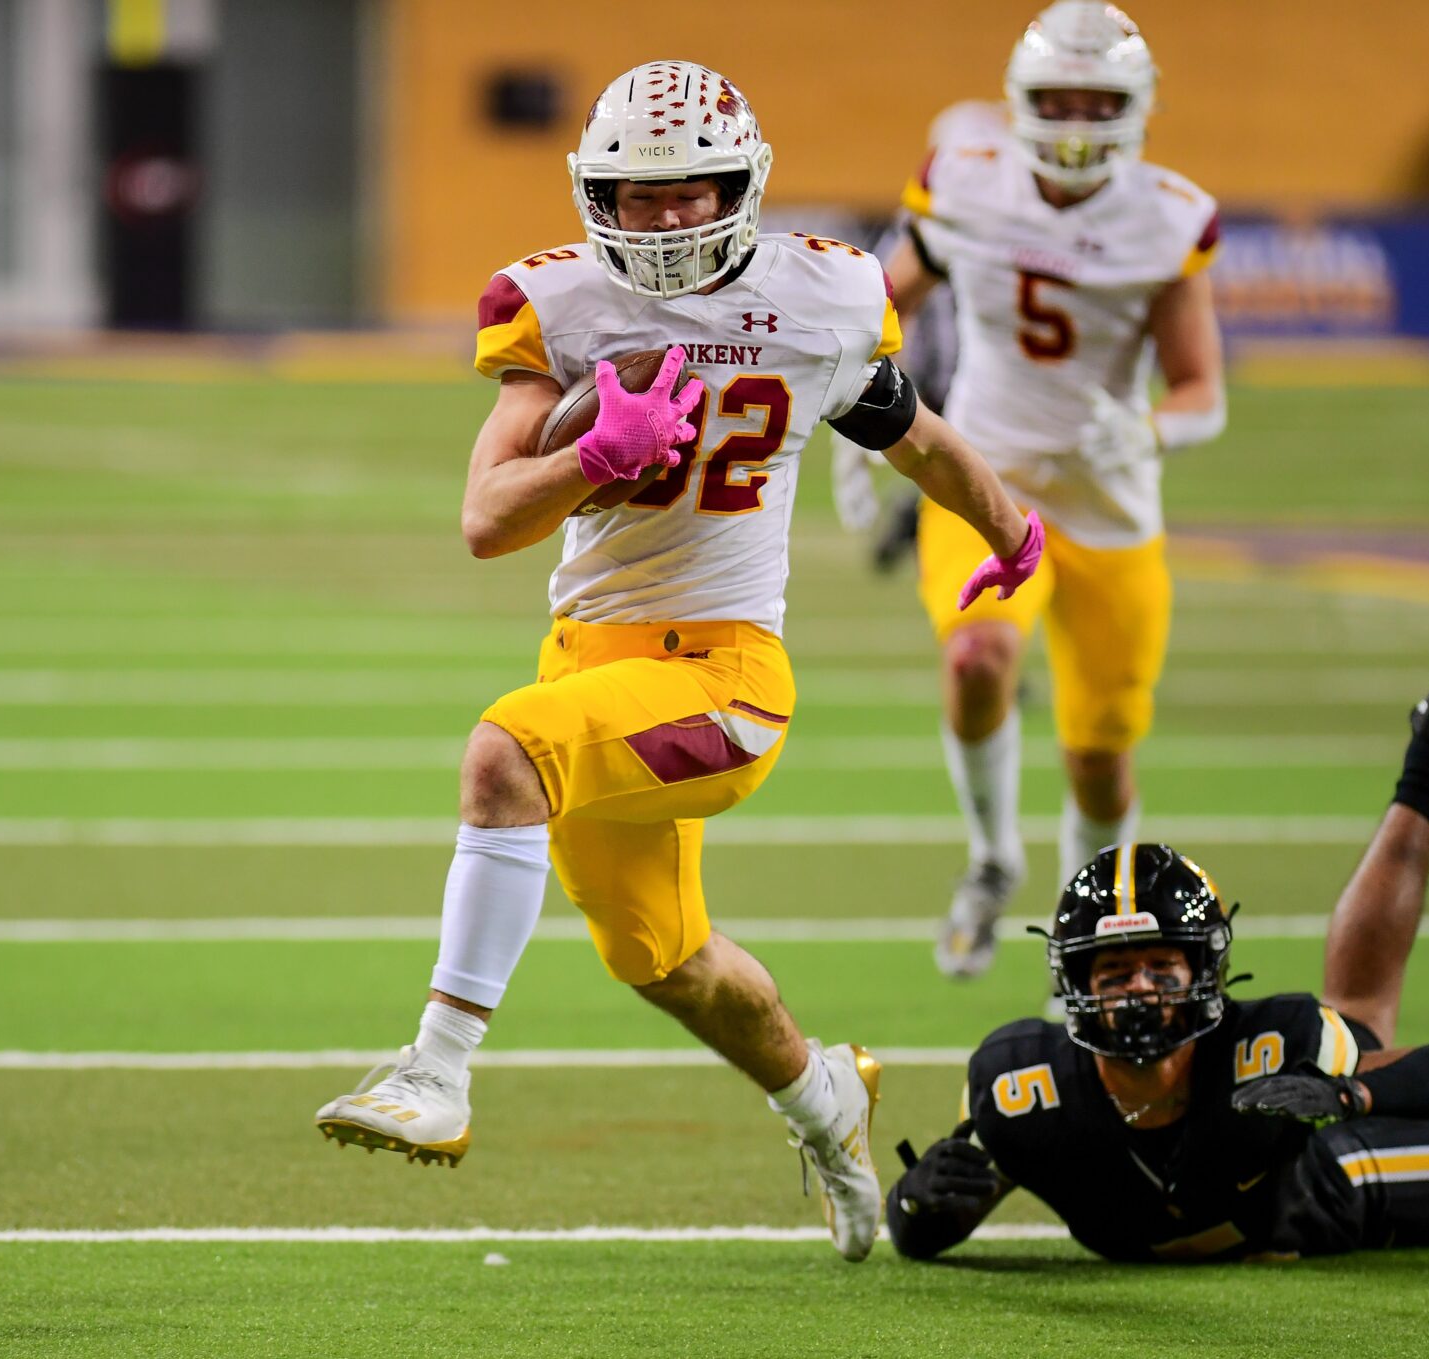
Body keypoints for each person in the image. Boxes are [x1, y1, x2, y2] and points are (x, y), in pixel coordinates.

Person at [312, 60, 1042, 1263]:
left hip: (725, 677)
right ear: (593, 193)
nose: (661, 219)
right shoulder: (558, 304)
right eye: (634, 196)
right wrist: (595, 455)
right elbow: (488, 518)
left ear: (737, 189)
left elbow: (908, 432)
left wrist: (1010, 528)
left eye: (688, 194)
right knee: (667, 961)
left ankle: (435, 1069)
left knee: (502, 758)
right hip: (592, 666)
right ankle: (825, 1099)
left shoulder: (822, 296)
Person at [885, 677, 1429, 1262]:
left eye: (1159, 965)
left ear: (1207, 971)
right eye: (1114, 973)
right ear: (1075, 983)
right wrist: (917, 1208)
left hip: (1344, 1181)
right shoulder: (1021, 1083)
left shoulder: (1264, 1043)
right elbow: (931, 1215)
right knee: (1356, 1015)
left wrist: (1349, 1096)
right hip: (1281, 1185)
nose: (1141, 988)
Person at [881, 4, 1228, 979]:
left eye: (1097, 101)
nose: (1075, 121)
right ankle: (991, 857)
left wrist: (1150, 427)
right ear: (1018, 102)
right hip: (982, 474)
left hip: (1110, 505)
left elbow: (1201, 390)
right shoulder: (968, 183)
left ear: (1137, 106)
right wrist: (855, 430)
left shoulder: (1166, 215)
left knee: (1098, 757)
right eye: (1057, 99)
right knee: (976, 659)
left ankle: (1088, 928)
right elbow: (873, 306)